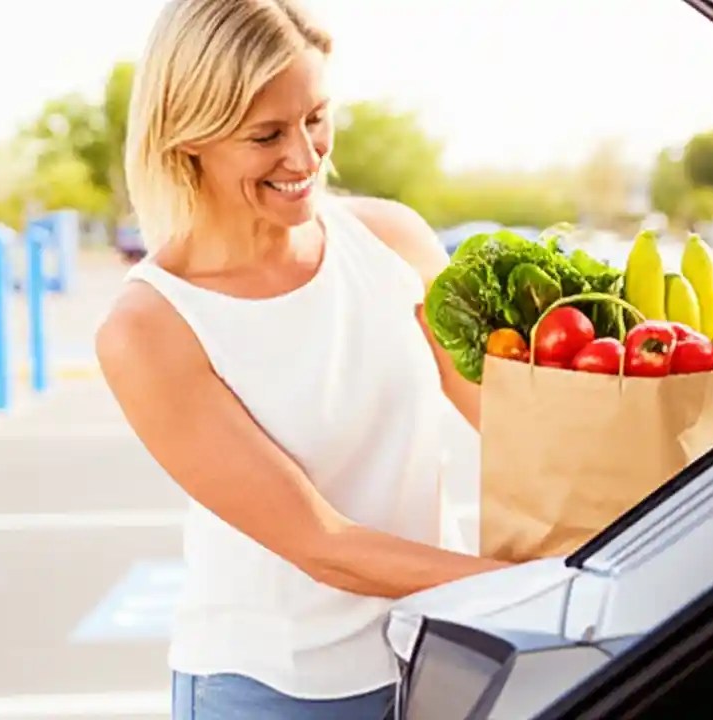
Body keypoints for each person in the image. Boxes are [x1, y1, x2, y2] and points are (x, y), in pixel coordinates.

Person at [95, 1, 512, 717]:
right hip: (274, 690)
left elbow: (508, 423)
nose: (304, 156)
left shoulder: (394, 241)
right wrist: (520, 584)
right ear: (189, 137)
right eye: (266, 135)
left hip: (438, 657)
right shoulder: (149, 326)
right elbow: (324, 544)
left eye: (316, 118)